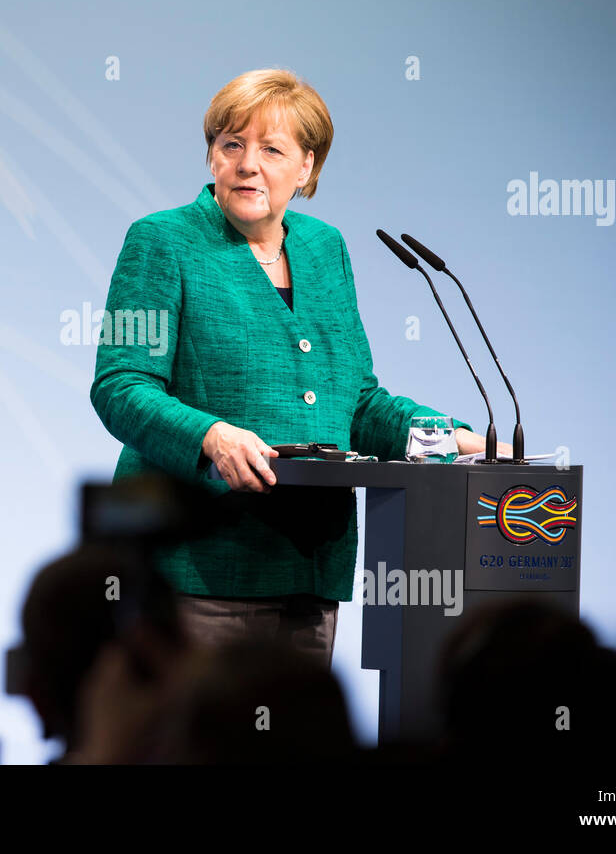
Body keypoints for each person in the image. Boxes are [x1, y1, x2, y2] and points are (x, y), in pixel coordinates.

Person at [89, 67, 509, 669]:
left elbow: (358, 403)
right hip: (195, 568)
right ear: (211, 155)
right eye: (231, 145)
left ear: (306, 167)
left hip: (308, 568)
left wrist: (458, 441)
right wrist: (211, 436)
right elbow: (120, 386)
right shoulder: (162, 242)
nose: (247, 164)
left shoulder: (324, 247)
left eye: (271, 149)